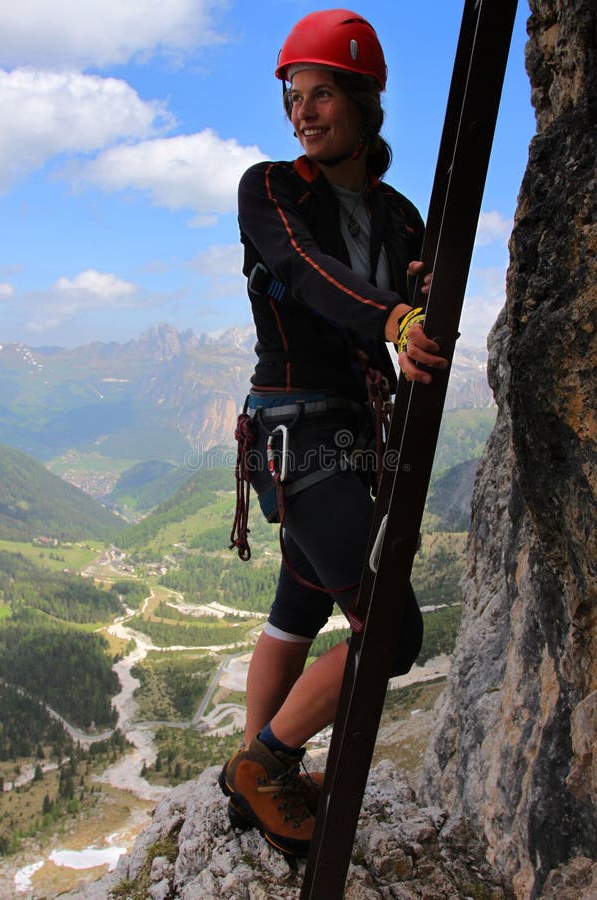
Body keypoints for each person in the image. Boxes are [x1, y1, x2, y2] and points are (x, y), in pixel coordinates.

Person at [219, 8, 448, 858]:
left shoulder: (400, 217)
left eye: (321, 95)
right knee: (391, 634)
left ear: (362, 104)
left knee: (300, 604)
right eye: (294, 96)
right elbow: (305, 271)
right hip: (297, 432)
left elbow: (407, 299)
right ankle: (267, 766)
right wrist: (395, 317)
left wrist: (416, 296)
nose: (302, 113)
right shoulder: (270, 190)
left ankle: (252, 778)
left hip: (346, 432)